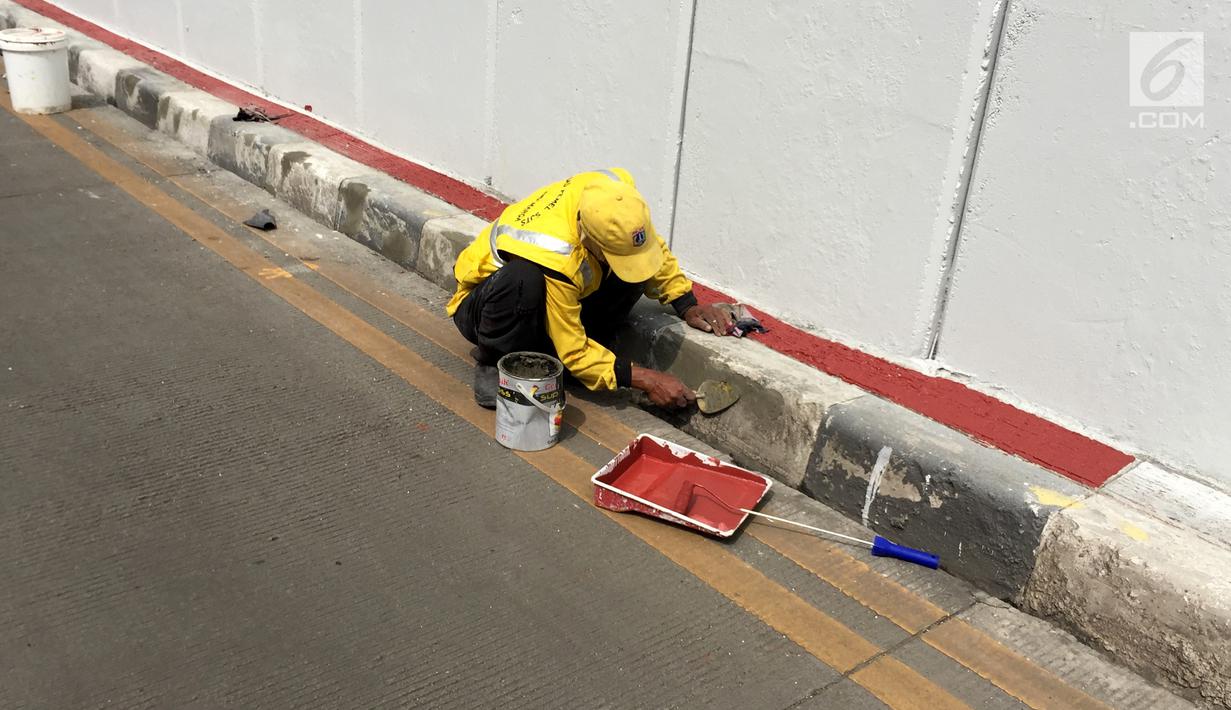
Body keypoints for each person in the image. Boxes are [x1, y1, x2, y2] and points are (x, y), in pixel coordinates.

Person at [447, 168, 734, 409]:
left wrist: (686, 303)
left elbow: (646, 246)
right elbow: (573, 349)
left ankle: (578, 365)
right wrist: (645, 378)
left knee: (632, 268)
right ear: (588, 237)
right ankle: (498, 364)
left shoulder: (615, 197)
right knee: (523, 279)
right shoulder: (553, 251)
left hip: (550, 299)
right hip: (487, 309)